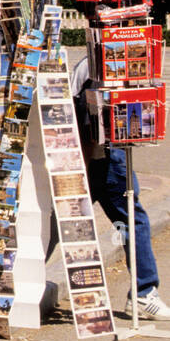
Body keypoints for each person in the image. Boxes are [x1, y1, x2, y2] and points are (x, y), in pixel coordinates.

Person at [71, 54, 169, 320]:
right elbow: (86, 114)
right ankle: (144, 291)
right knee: (133, 220)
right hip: (104, 158)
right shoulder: (99, 65)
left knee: (61, 220)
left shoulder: (86, 61)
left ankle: (17, 278)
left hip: (94, 157)